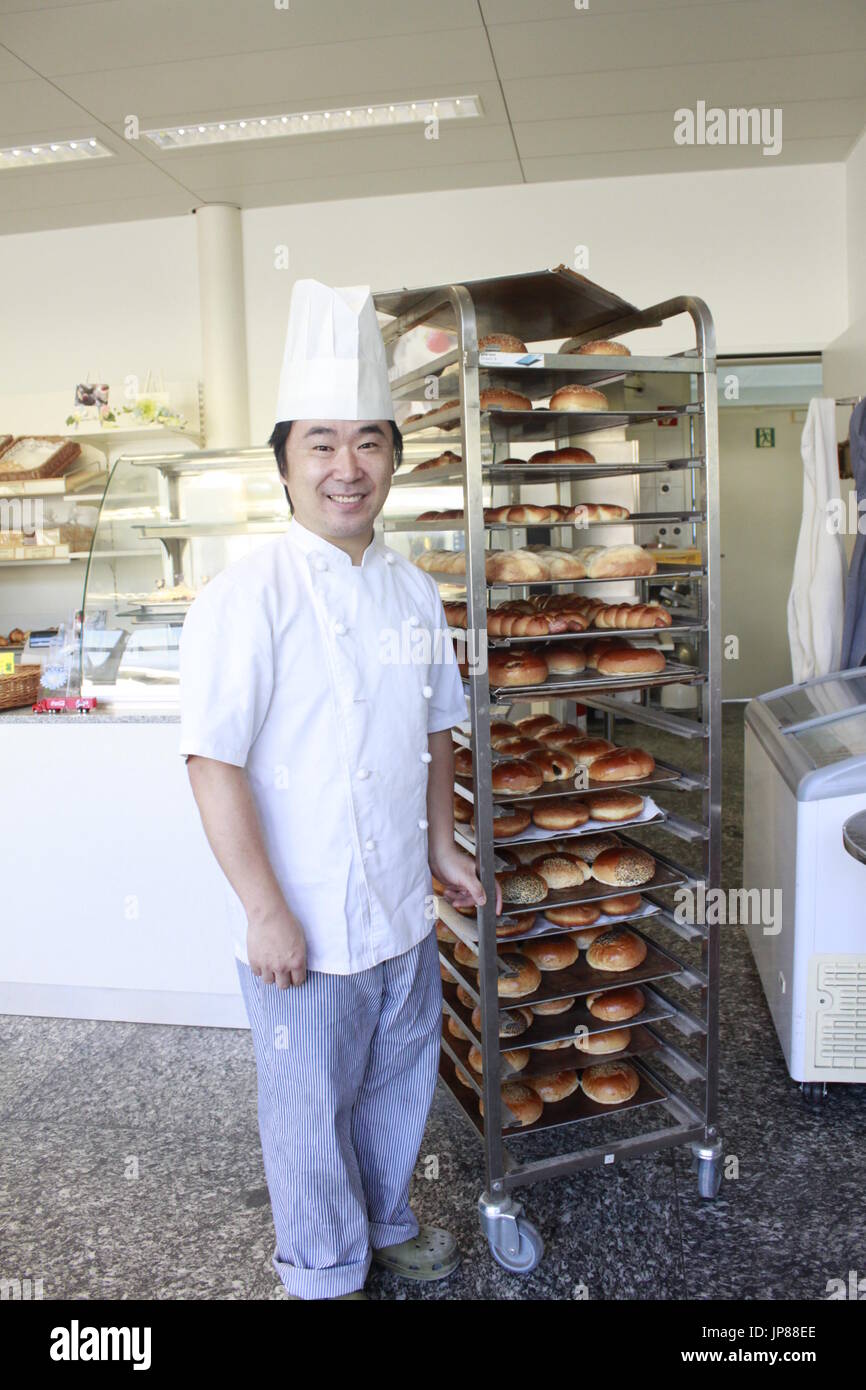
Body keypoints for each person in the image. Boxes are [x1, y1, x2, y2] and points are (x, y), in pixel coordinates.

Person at [179, 279, 498, 1300]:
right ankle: (320, 1268)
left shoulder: (412, 588)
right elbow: (211, 762)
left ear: (394, 458)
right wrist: (263, 909)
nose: (346, 466)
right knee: (307, 1103)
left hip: (400, 900)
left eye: (368, 440)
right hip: (303, 915)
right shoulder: (244, 599)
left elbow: (434, 728)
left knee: (401, 1083)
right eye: (320, 442)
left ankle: (388, 1220)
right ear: (283, 461)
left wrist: (443, 846)